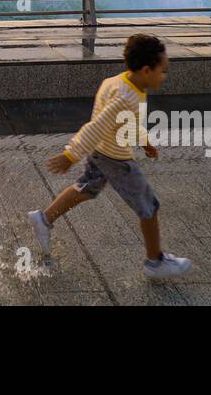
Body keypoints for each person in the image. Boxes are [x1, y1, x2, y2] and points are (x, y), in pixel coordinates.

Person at [27, 33, 192, 278]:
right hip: (117, 160)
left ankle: (44, 218)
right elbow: (97, 126)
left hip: (100, 153)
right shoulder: (127, 97)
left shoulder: (117, 82)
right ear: (147, 70)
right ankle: (155, 262)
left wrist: (144, 140)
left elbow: (126, 121)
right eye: (163, 70)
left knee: (86, 188)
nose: (164, 76)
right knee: (149, 206)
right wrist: (70, 155)